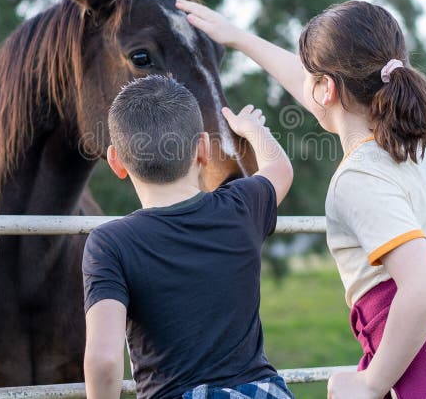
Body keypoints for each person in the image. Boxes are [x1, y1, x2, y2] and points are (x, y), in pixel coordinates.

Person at [176, 0, 426, 399]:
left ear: (327, 88)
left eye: (311, 78)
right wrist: (241, 39)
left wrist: (371, 383)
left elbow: (425, 288)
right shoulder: (406, 142)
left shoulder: (357, 177)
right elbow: (319, 87)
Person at [82, 75, 295, 399]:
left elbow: (105, 360)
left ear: (116, 162)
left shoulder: (109, 244)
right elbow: (280, 168)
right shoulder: (241, 204)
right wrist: (252, 128)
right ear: (203, 150)